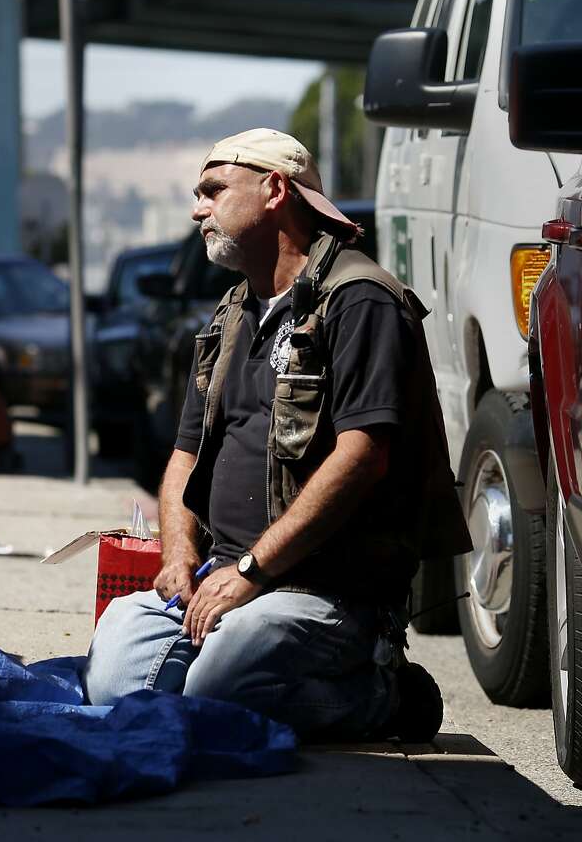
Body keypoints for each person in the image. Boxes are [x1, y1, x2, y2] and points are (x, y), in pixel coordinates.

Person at [83, 128, 472, 741]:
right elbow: (186, 452)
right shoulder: (233, 312)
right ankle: (218, 677)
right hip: (220, 575)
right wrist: (180, 556)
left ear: (274, 190)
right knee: (114, 685)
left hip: (323, 587)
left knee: (218, 693)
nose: (197, 209)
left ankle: (388, 695)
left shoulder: (360, 300)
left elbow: (363, 456)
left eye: (213, 190)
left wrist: (254, 572)